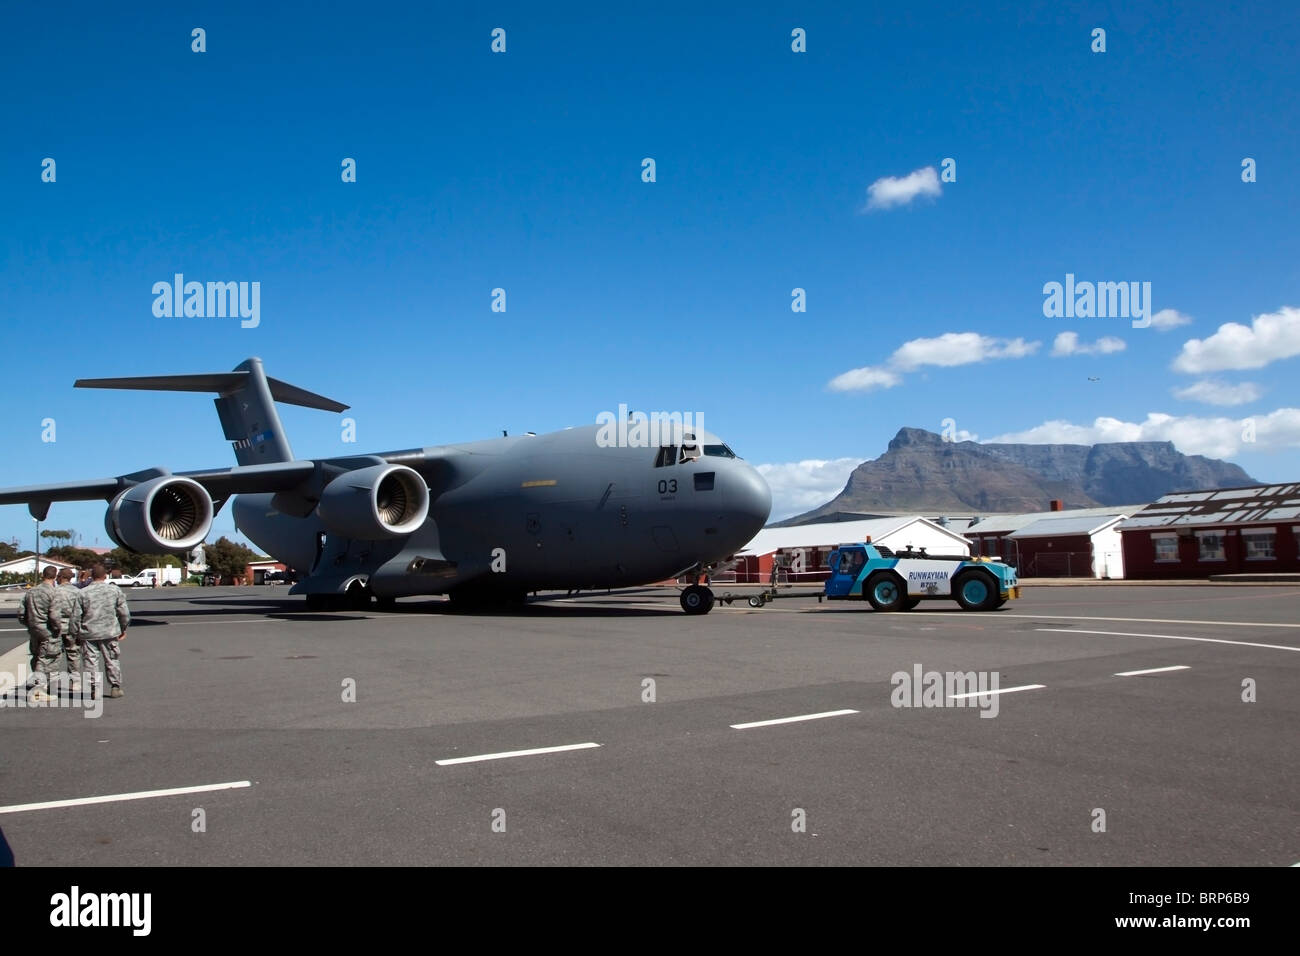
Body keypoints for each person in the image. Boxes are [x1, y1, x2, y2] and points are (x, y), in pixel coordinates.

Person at [71, 564, 130, 700]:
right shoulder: (114, 590)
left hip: (89, 633)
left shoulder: (82, 593)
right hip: (109, 632)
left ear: (91, 577)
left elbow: (75, 616)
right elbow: (124, 613)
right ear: (105, 576)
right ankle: (115, 687)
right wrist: (123, 628)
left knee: (91, 662)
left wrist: (74, 634)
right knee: (112, 660)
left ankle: (94, 688)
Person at [17, 566, 60, 702]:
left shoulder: (31, 592)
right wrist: (57, 628)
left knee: (36, 657)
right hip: (47, 630)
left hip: (33, 629)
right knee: (45, 658)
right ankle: (38, 690)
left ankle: (38, 684)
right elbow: (54, 615)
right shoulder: (53, 592)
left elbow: (21, 613)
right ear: (55, 576)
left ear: (43, 575)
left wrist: (29, 624)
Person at [50, 568, 83, 693]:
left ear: (60, 577)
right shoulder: (78, 592)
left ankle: (52, 681)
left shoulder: (54, 591)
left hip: (56, 628)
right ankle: (75, 682)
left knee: (54, 655)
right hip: (72, 627)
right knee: (73, 654)